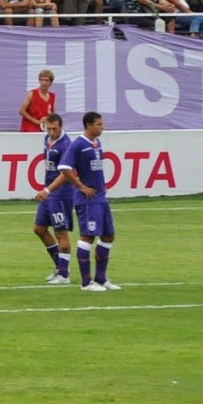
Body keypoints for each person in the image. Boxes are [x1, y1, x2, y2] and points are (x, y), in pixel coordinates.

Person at [57, 111, 119, 292]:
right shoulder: (78, 144)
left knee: (108, 235)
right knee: (88, 236)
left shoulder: (97, 142)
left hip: (101, 197)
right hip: (87, 200)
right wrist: (80, 186)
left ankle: (101, 278)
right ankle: (86, 282)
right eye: (99, 124)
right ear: (89, 125)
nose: (102, 127)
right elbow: (64, 167)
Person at [32, 113, 76, 285]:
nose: (51, 132)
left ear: (61, 126)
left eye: (55, 128)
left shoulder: (66, 145)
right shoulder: (47, 139)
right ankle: (60, 266)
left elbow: (66, 173)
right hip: (49, 192)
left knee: (60, 232)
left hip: (60, 193)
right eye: (49, 128)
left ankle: (64, 275)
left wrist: (48, 190)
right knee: (39, 229)